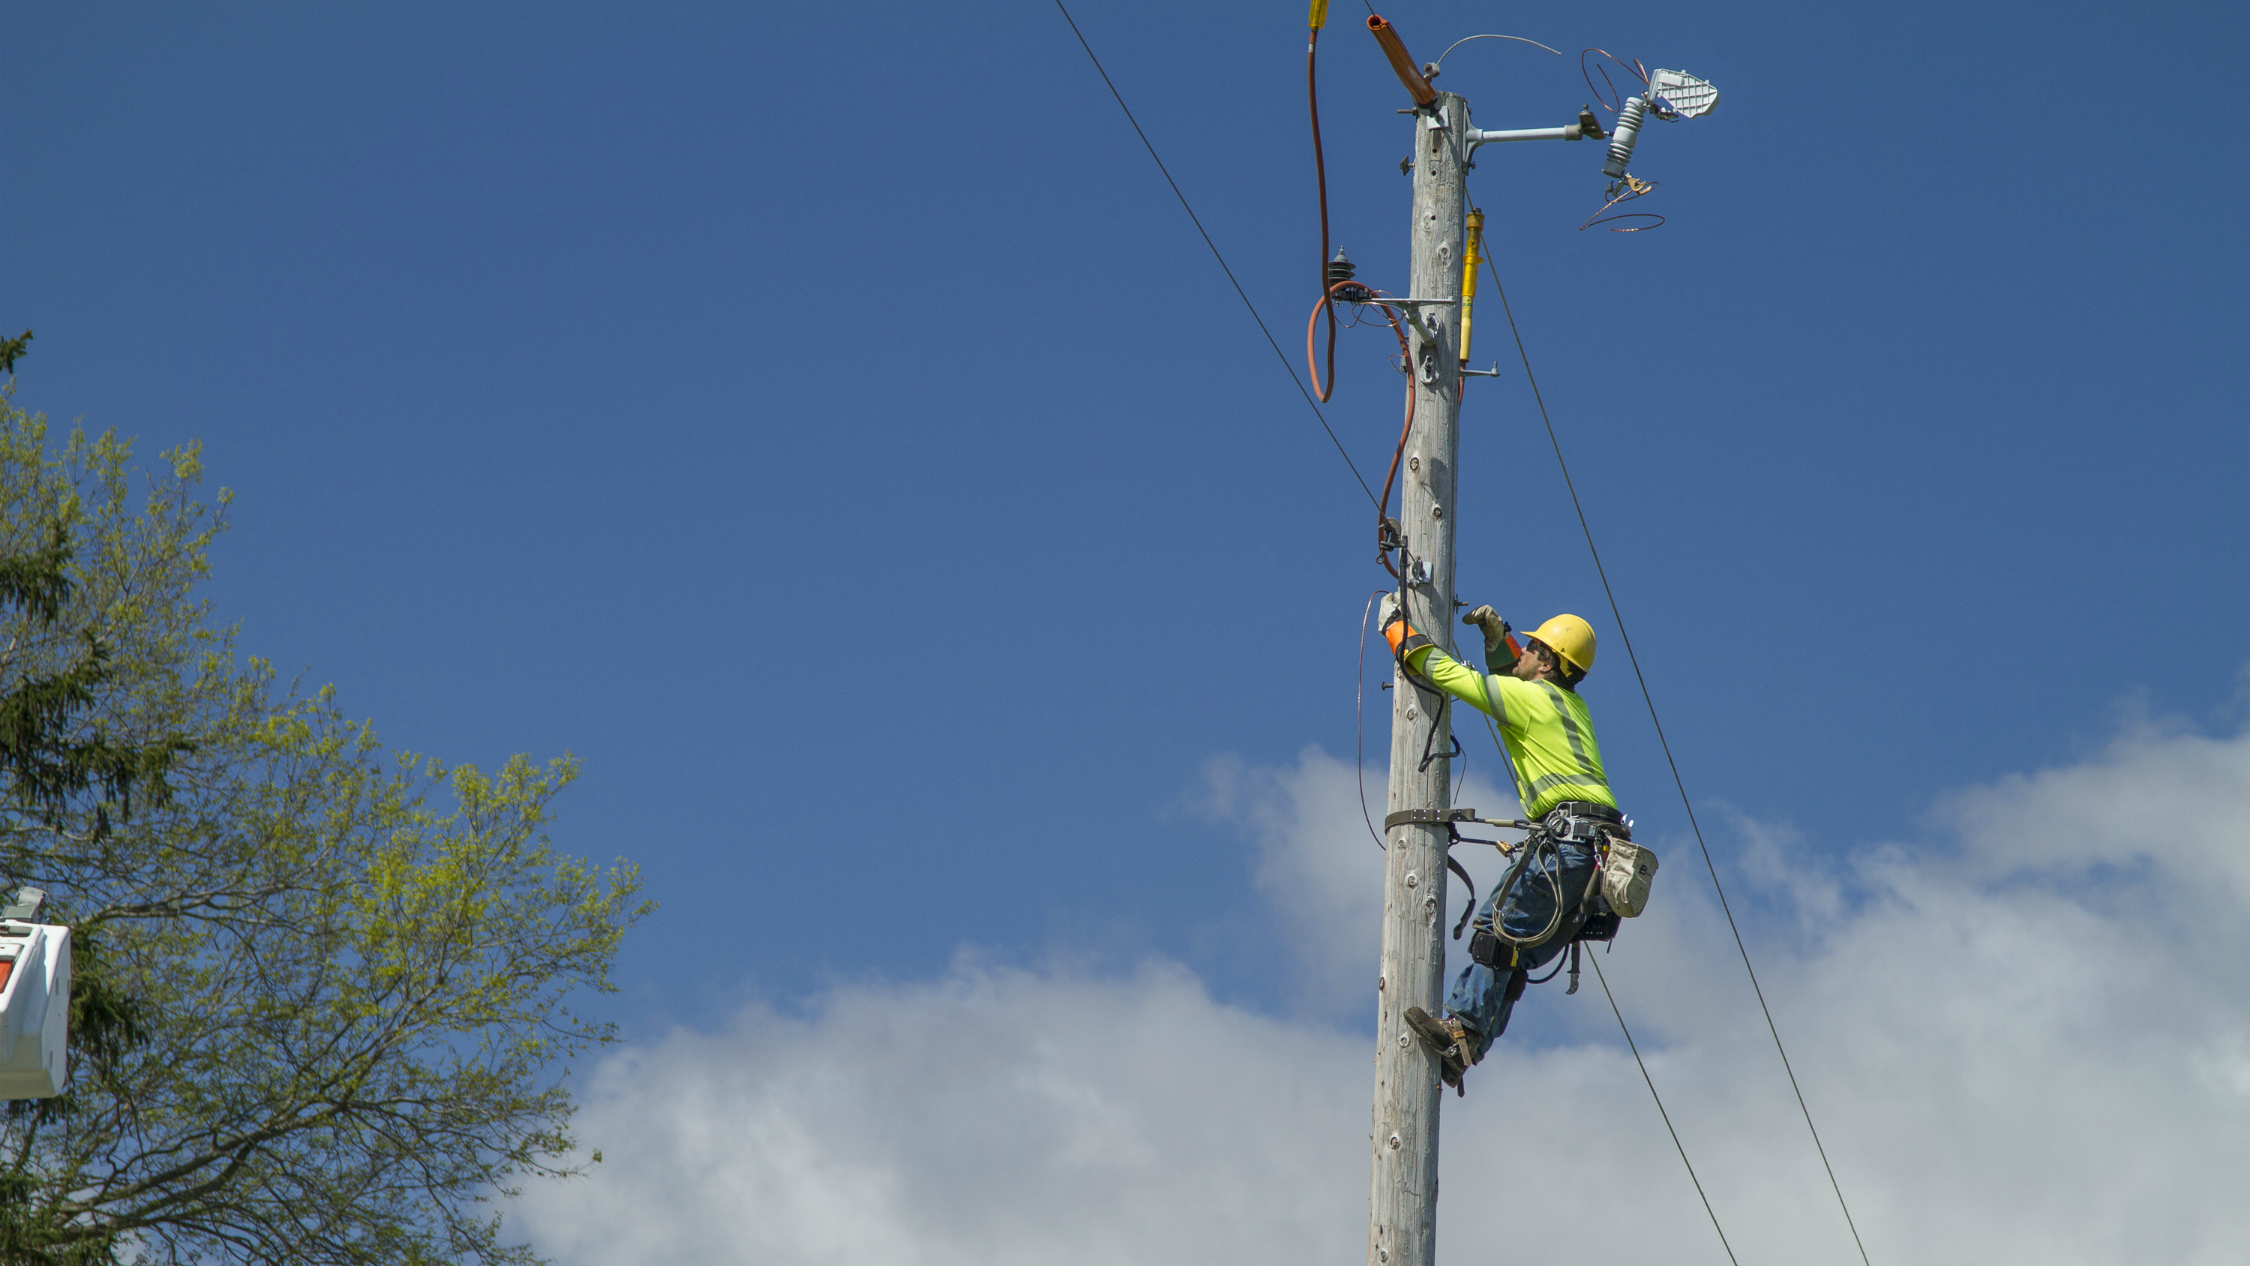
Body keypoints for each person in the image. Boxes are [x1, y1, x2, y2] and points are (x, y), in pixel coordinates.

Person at [1380, 598, 1627, 1088]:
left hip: (1567, 844)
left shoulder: (1532, 700)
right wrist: (1499, 641)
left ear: (1549, 663)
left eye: (1532, 648)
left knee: (1497, 935)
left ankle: (1462, 1029)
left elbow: (1453, 677)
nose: (1525, 652)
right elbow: (1515, 680)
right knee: (1513, 950)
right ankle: (1468, 1044)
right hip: (1594, 854)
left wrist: (1398, 631)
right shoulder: (1569, 703)